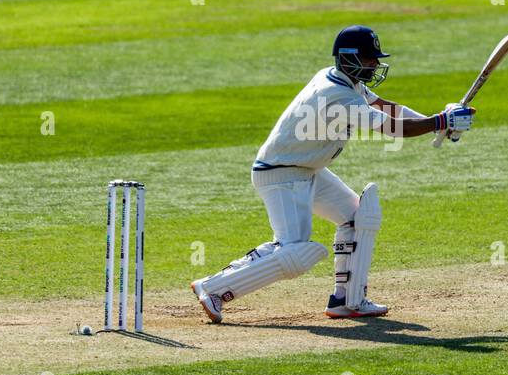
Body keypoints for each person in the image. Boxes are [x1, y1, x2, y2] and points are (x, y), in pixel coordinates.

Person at [190, 25, 475, 322]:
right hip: (281, 175)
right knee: (295, 252)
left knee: (357, 217)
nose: (375, 64)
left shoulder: (346, 81)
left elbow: (390, 108)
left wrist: (439, 121)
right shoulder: (336, 95)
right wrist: (440, 121)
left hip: (307, 169)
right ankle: (214, 288)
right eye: (369, 59)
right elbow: (392, 127)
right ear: (349, 58)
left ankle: (347, 300)